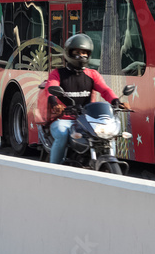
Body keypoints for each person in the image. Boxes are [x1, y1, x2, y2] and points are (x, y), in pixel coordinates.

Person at [44, 33, 129, 165]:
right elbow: (50, 89)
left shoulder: (92, 74)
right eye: (77, 52)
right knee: (62, 135)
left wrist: (116, 101)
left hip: (87, 120)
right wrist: (55, 104)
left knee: (108, 135)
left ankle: (110, 162)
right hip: (64, 119)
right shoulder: (58, 73)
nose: (81, 55)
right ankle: (54, 168)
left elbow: (105, 90)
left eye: (84, 52)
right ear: (68, 53)